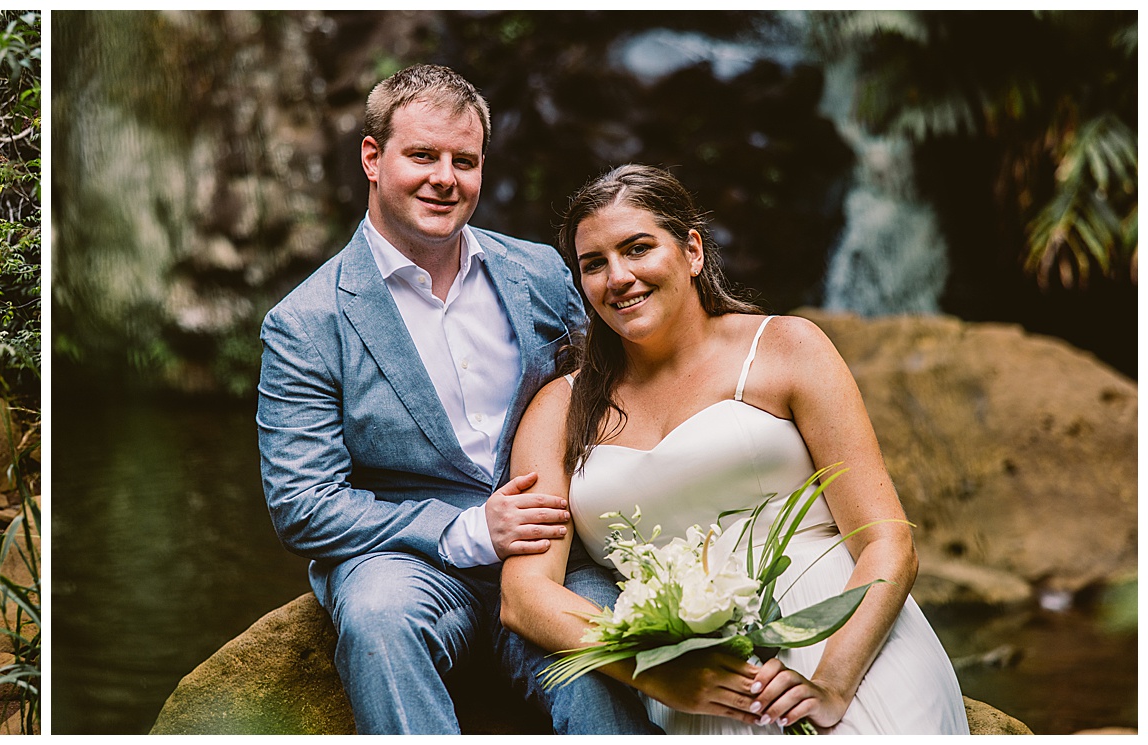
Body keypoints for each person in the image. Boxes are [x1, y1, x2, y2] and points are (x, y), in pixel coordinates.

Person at [499, 164, 971, 734]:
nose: (617, 277)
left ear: (692, 250)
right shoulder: (558, 409)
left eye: (637, 248)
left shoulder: (788, 347)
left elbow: (888, 540)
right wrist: (653, 668)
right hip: (697, 681)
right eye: (593, 264)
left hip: (845, 636)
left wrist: (831, 682)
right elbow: (525, 595)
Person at [257, 65, 655, 734]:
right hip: (404, 565)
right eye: (422, 155)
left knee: (609, 652)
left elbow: (612, 391)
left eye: (463, 160)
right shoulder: (306, 321)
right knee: (378, 620)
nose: (446, 177)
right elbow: (303, 503)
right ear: (372, 157)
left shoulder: (540, 271)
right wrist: (465, 530)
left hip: (550, 552)